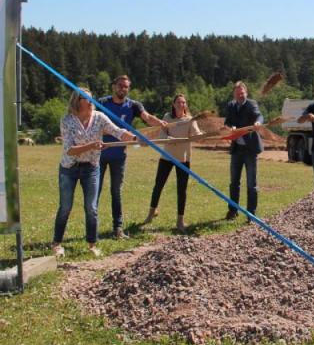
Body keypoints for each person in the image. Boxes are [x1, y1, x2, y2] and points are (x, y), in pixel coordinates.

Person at [53, 87, 134, 257]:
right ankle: (57, 244)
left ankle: (92, 244)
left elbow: (116, 131)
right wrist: (92, 145)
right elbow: (69, 150)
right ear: (77, 100)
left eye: (91, 98)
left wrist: (131, 137)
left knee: (91, 207)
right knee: (65, 207)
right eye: (86, 98)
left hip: (91, 167)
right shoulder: (67, 120)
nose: (91, 102)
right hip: (69, 168)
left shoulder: (99, 118)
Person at [98, 74, 166, 239]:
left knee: (116, 191)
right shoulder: (101, 103)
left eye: (126, 86)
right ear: (114, 86)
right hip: (98, 154)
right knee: (95, 192)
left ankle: (118, 228)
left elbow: (147, 118)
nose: (123, 89)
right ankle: (92, 229)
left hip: (119, 155)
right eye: (120, 85)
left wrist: (162, 124)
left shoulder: (134, 106)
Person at [143, 93, 203, 233]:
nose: (181, 105)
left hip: (183, 158)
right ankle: (151, 213)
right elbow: (162, 134)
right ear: (174, 104)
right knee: (158, 185)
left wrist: (202, 135)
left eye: (183, 102)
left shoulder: (190, 120)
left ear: (185, 105)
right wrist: (169, 138)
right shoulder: (167, 118)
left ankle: (180, 220)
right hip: (167, 157)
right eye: (178, 102)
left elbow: (196, 134)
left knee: (181, 190)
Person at [224, 81, 262, 220]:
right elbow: (227, 122)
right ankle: (233, 211)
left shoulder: (252, 104)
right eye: (238, 93)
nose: (240, 95)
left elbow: (259, 116)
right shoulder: (231, 105)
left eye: (242, 93)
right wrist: (230, 127)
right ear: (234, 94)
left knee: (251, 184)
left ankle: (251, 214)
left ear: (246, 93)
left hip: (250, 149)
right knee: (234, 182)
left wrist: (258, 123)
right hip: (236, 150)